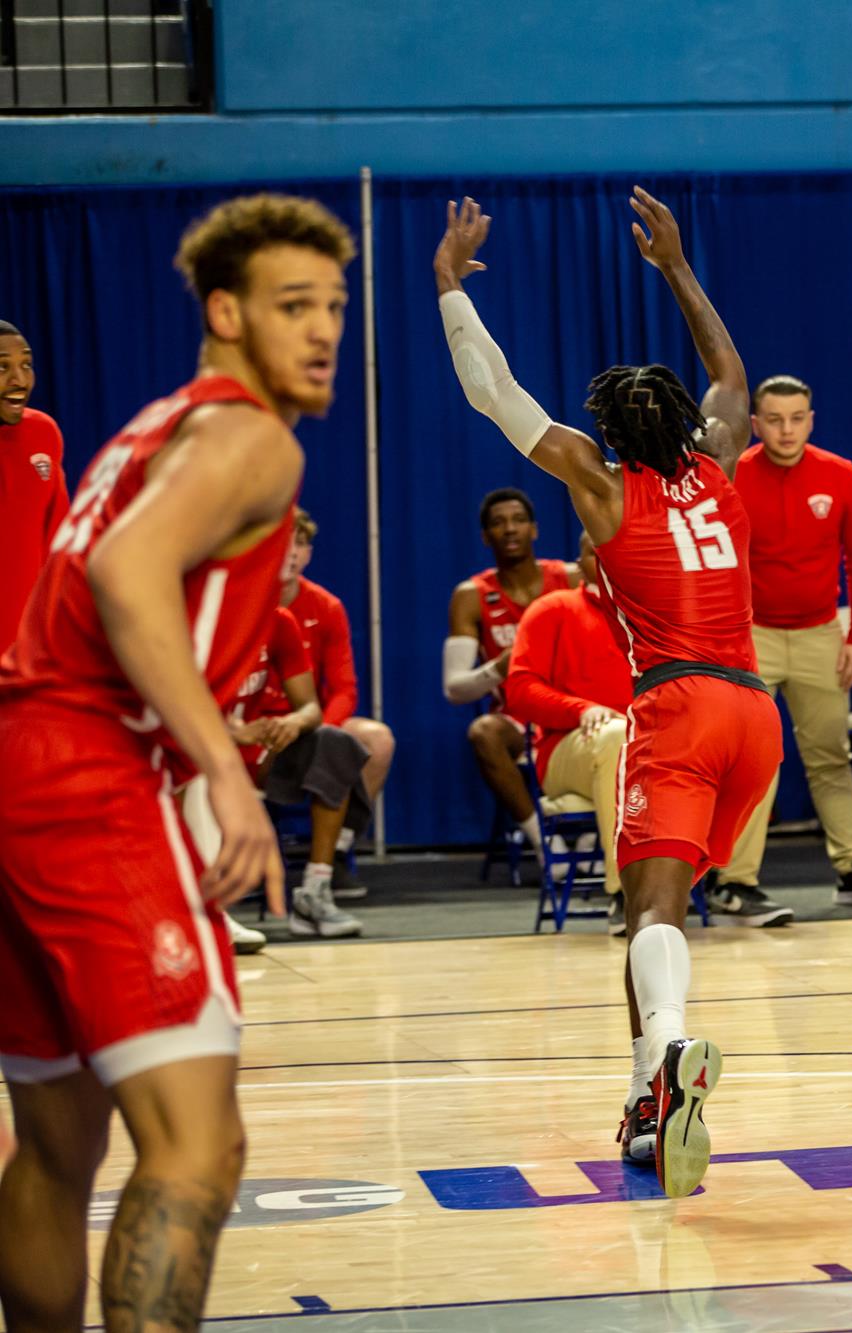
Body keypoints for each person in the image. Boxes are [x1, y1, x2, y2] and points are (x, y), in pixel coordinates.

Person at [0, 192, 351, 1333]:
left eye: (335, 306)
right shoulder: (252, 436)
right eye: (292, 305)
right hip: (89, 771)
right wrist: (220, 767)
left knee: (59, 1143)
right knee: (198, 1144)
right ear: (224, 312)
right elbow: (126, 574)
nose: (322, 330)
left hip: (17, 767)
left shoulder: (156, 424)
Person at [435, 189, 778, 1200]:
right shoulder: (718, 465)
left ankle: (665, 1053)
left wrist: (452, 285)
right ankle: (647, 1099)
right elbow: (729, 373)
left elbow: (494, 393)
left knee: (652, 911)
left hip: (673, 707)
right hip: (752, 713)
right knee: (657, 915)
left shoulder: (599, 485)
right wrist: (674, 265)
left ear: (610, 433)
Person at [713, 373, 852, 919]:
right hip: (750, 636)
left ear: (812, 419)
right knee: (753, 759)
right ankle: (734, 879)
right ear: (756, 424)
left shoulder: (842, 476)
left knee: (831, 755)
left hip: (819, 635)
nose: (787, 430)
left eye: (797, 418)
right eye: (775, 420)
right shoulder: (733, 476)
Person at [507, 532, 635, 931]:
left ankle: (729, 881)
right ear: (578, 562)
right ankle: (625, 894)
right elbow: (520, 691)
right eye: (594, 552)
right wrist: (582, 709)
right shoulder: (553, 609)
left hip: (647, 746)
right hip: (570, 749)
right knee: (615, 736)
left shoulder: (654, 612)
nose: (606, 558)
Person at [442, 487, 576, 859]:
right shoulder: (471, 595)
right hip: (519, 719)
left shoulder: (571, 578)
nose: (510, 529)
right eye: (499, 524)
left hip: (579, 710)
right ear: (486, 537)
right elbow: (455, 689)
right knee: (483, 732)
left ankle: (597, 834)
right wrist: (498, 668)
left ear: (534, 529)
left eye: (519, 520)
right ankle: (547, 845)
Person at [222, 606, 368, 938]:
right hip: (197, 751)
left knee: (334, 743)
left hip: (256, 749)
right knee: (197, 766)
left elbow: (310, 707)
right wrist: (231, 733)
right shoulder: (195, 617)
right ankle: (209, 909)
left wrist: (294, 722)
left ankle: (315, 893)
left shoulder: (277, 619)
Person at [281, 508, 395, 894]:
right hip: (261, 724)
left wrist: (322, 734)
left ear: (309, 553)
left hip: (312, 722)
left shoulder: (326, 607)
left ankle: (336, 854)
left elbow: (345, 687)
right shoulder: (242, 600)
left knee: (376, 740)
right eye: (282, 542)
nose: (290, 552)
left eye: (299, 544)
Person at [0, 320, 69, 654]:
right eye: (3, 367)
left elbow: (59, 544)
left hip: (29, 655)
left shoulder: (44, 433)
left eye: (26, 365)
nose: (19, 380)